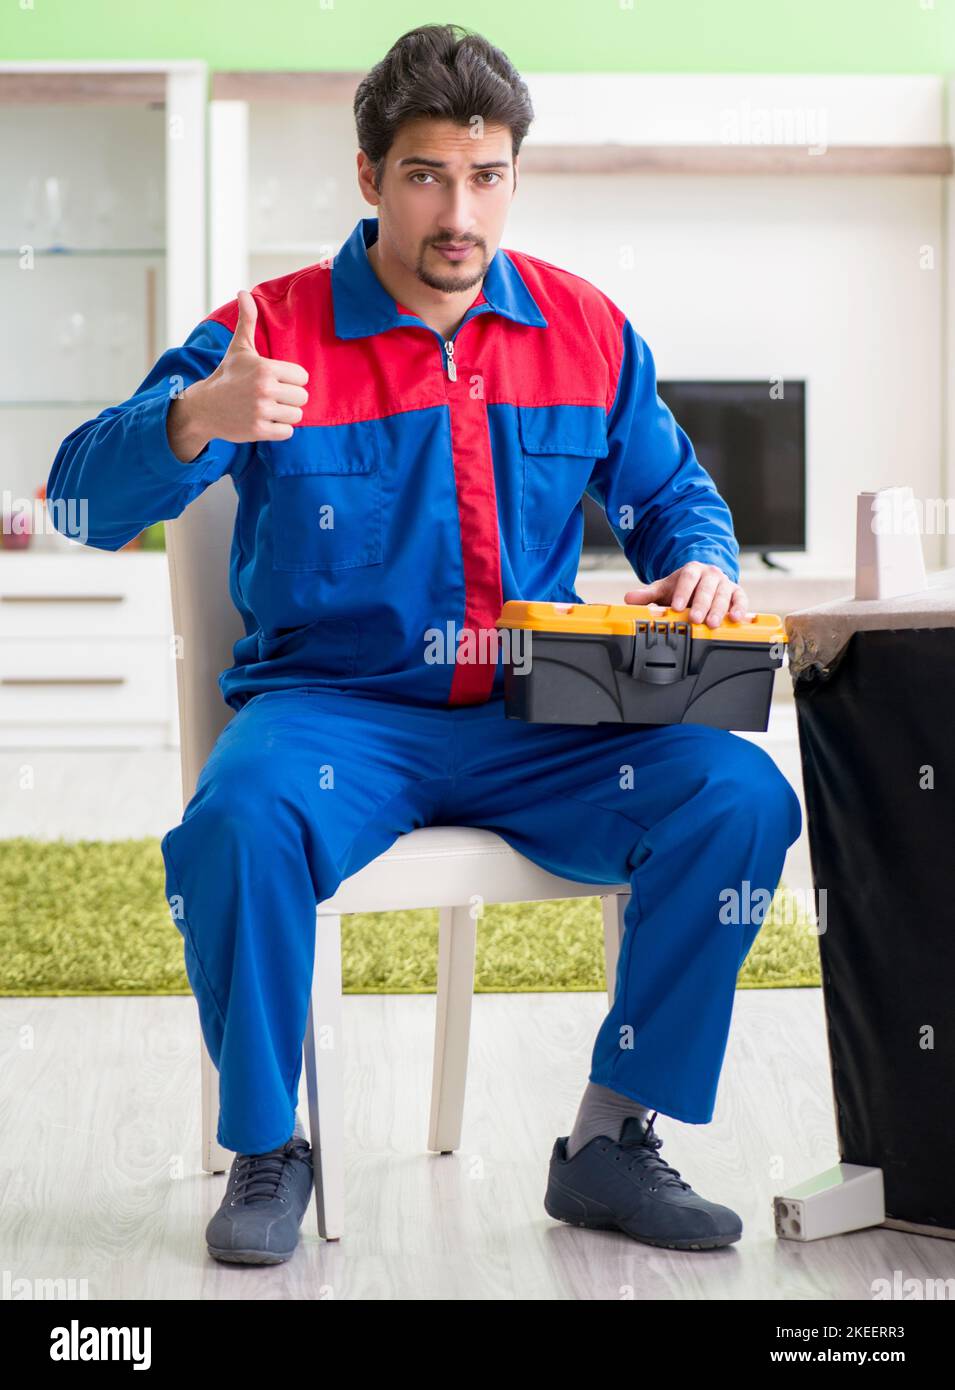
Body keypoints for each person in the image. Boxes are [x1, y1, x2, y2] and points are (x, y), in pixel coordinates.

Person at [47, 22, 802, 1265]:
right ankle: (268, 1144)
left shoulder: (585, 330)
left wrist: (703, 562)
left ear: (512, 174)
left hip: (539, 713)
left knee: (738, 795)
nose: (460, 211)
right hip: (336, 714)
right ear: (368, 177)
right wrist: (195, 416)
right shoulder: (266, 331)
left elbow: (676, 497)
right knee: (236, 822)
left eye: (486, 175)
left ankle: (612, 1141)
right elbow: (78, 502)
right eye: (425, 176)